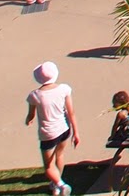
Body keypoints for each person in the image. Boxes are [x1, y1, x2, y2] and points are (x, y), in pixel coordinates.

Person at [26, 61, 79, 196]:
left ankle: (61, 185)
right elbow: (71, 112)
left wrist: (29, 120)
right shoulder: (64, 89)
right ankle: (55, 185)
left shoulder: (35, 95)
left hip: (48, 134)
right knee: (59, 155)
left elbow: (31, 115)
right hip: (64, 129)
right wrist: (76, 133)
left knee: (48, 166)